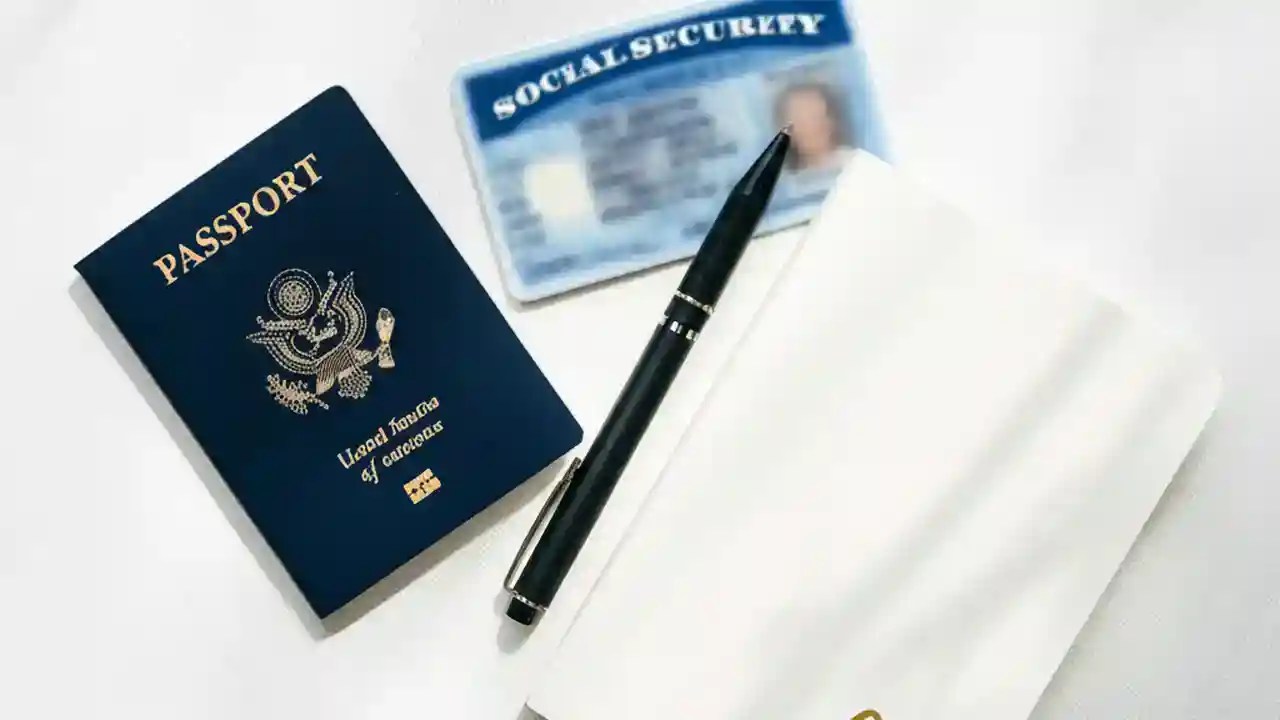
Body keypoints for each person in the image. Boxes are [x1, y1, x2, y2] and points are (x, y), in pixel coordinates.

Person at [773, 82, 855, 171]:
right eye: (799, 118)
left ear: (831, 121)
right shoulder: (786, 177)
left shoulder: (856, 165)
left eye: (814, 116)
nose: (808, 127)